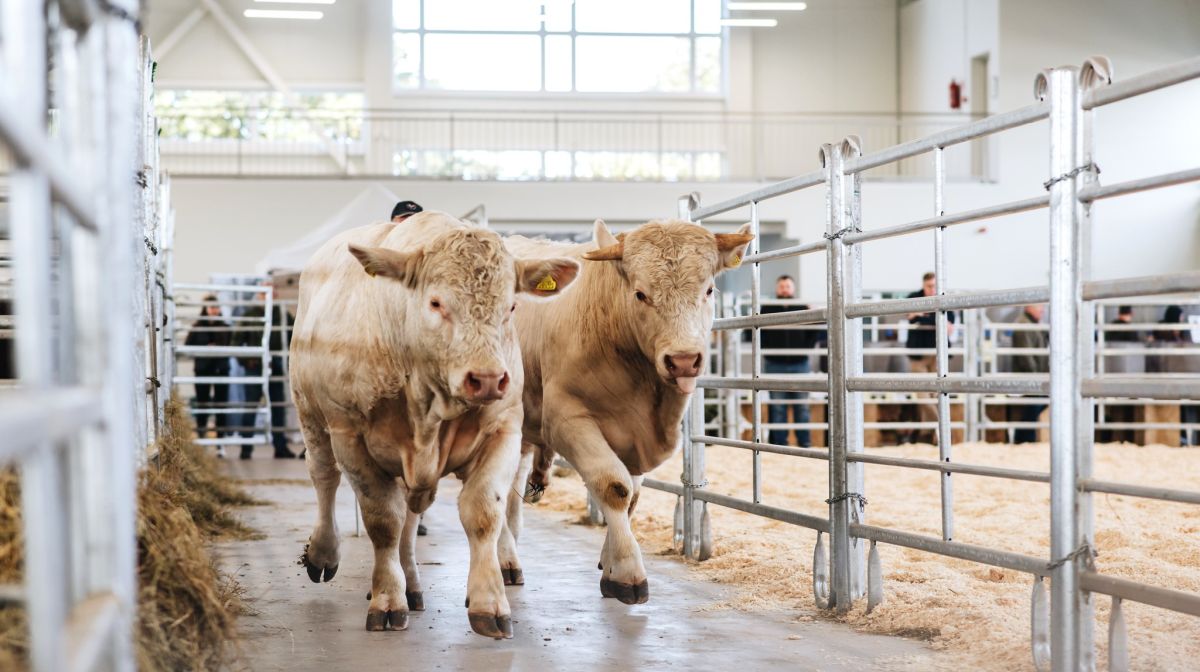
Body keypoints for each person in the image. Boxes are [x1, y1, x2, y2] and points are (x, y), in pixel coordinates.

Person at [233, 286, 296, 460]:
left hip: (276, 365)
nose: (269, 296)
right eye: (264, 293)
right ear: (258, 295)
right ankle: (246, 448)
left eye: (273, 293)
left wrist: (289, 362)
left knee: (278, 407)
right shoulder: (249, 315)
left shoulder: (283, 315)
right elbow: (236, 342)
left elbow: (294, 338)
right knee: (250, 406)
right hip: (254, 365)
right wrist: (247, 360)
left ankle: (280, 446)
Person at [760, 275, 817, 447]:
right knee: (777, 405)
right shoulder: (767, 309)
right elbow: (758, 332)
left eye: (787, 286)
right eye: (782, 286)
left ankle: (804, 443)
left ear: (793, 289)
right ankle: (779, 444)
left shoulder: (802, 307)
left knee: (802, 405)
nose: (785, 289)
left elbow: (814, 330)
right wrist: (769, 351)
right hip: (774, 363)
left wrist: (804, 349)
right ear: (777, 289)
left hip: (799, 363)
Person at [902, 272, 956, 443]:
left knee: (937, 394)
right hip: (918, 353)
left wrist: (922, 315)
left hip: (939, 352)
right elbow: (910, 317)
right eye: (929, 286)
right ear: (923, 285)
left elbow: (949, 324)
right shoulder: (913, 297)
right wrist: (935, 317)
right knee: (922, 393)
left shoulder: (944, 297)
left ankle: (932, 436)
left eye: (934, 286)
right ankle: (942, 426)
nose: (932, 289)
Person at [185, 296, 231, 441]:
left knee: (221, 403)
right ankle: (201, 433)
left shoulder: (225, 327)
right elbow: (187, 346)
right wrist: (204, 349)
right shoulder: (197, 327)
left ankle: (221, 437)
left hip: (221, 369)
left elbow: (231, 346)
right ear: (205, 309)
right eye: (211, 307)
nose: (213, 310)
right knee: (202, 402)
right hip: (203, 369)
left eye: (216, 307)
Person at [1101, 305, 1140, 443]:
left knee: (1107, 410)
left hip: (1108, 373)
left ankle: (1106, 439)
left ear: (1119, 313)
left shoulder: (1110, 328)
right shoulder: (1130, 330)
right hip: (1126, 375)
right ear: (1131, 313)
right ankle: (1127, 439)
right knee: (1127, 409)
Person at [1011, 304, 1048, 444]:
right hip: (1031, 376)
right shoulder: (1024, 325)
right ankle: (1023, 439)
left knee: (1035, 407)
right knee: (1033, 406)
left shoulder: (1032, 324)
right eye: (1039, 306)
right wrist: (1036, 377)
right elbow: (1025, 355)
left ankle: (1024, 438)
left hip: (1036, 375)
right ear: (1029, 307)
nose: (1042, 309)